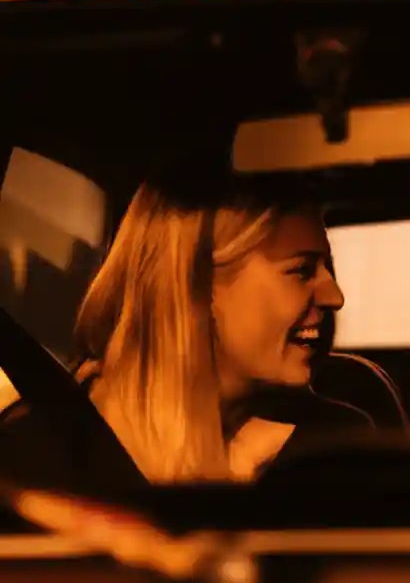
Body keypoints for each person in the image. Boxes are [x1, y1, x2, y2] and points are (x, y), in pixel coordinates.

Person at [0, 162, 371, 486]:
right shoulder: (37, 456)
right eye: (302, 270)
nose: (335, 296)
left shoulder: (337, 449)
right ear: (198, 284)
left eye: (327, 268)